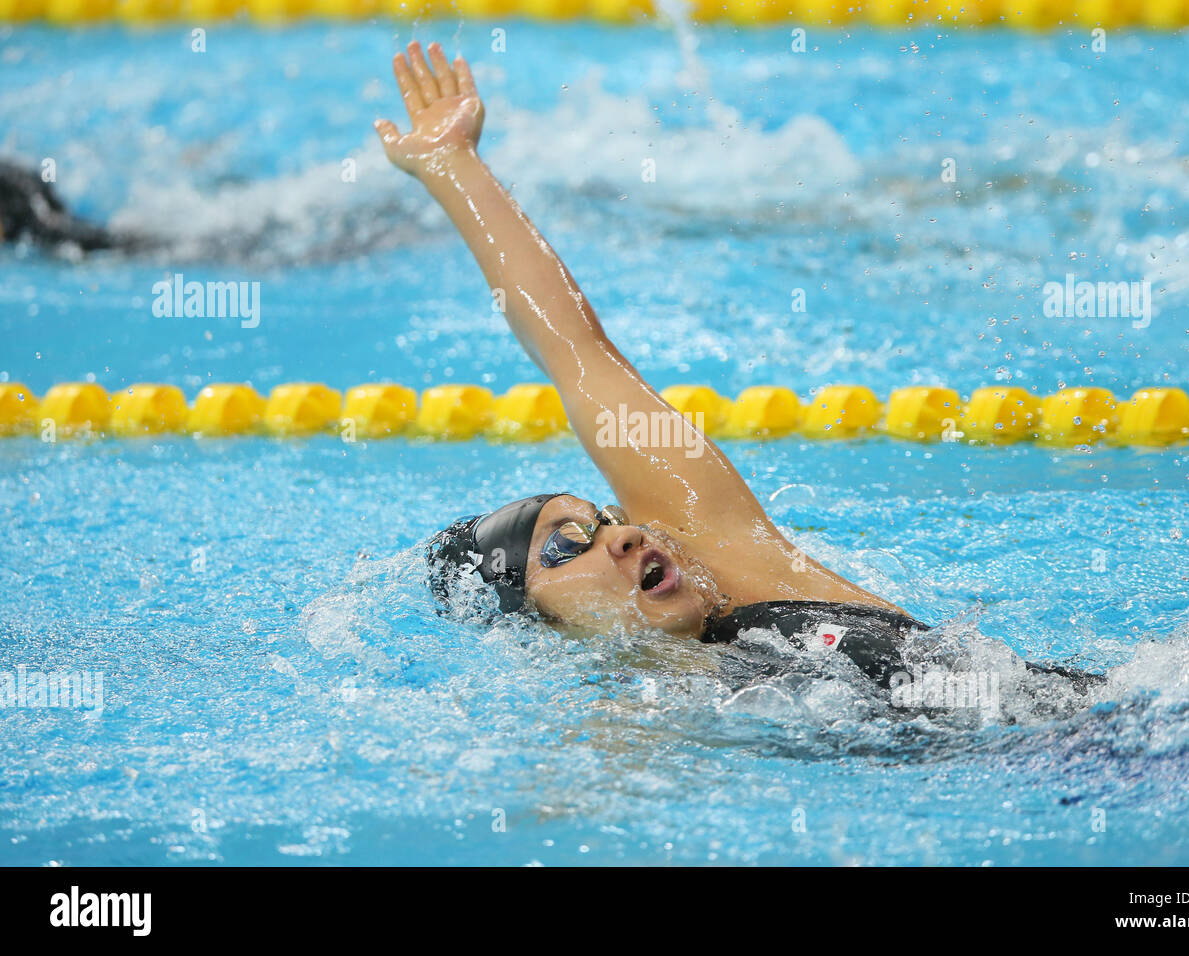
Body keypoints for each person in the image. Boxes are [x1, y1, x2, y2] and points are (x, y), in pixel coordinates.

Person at [377, 42, 1097, 691]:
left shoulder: (723, 557)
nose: (624, 535)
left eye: (602, 520)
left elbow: (576, 350)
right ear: (538, 629)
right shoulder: (640, 729)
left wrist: (453, 166)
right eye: (567, 549)